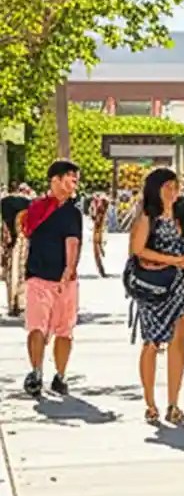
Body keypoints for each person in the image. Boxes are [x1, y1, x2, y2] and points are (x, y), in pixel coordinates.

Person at [126, 168, 184, 423]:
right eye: (167, 187)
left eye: (175, 186)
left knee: (178, 340)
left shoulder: (183, 213)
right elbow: (138, 251)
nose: (172, 192)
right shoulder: (148, 217)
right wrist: (173, 259)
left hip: (178, 284)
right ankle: (150, 403)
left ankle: (173, 403)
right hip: (153, 287)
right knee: (151, 342)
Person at [19, 160, 83, 396]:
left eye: (76, 178)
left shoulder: (73, 212)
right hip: (38, 275)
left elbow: (73, 241)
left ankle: (60, 375)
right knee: (36, 326)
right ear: (54, 179)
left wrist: (69, 269)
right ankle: (36, 372)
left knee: (64, 330)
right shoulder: (37, 207)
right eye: (69, 177)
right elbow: (25, 232)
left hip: (65, 281)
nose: (74, 181)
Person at [2, 190, 32, 316]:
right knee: (22, 272)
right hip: (24, 242)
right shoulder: (27, 205)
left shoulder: (5, 205)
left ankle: (12, 303)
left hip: (12, 243)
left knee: (11, 274)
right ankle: (20, 302)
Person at [88, 193, 109, 277]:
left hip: (98, 227)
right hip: (99, 227)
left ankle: (101, 269)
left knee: (97, 247)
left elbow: (93, 215)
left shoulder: (99, 206)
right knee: (97, 247)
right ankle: (101, 270)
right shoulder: (100, 206)